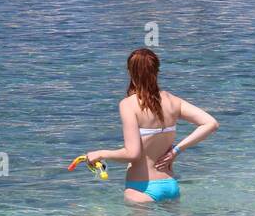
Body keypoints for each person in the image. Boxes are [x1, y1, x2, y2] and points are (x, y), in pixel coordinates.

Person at [82, 47, 218, 204]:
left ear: (130, 72)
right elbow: (211, 123)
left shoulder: (128, 104)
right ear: (157, 71)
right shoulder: (173, 101)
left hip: (141, 189)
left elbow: (132, 154)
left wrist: (100, 153)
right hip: (170, 184)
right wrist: (176, 151)